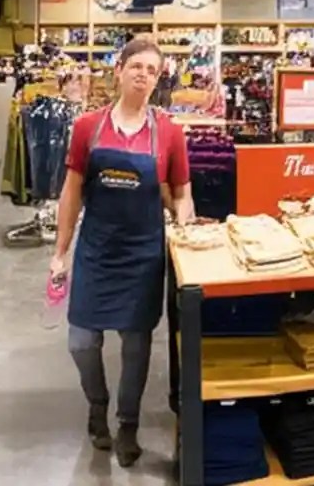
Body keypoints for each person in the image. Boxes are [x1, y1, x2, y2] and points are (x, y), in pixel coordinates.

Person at [49, 38, 194, 468]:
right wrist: (61, 251)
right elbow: (71, 194)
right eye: (137, 66)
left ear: (158, 77)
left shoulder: (168, 131)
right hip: (97, 250)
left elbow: (181, 194)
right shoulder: (88, 128)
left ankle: (127, 424)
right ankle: (97, 404)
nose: (144, 74)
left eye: (152, 69)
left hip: (143, 255)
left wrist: (185, 225)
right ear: (119, 69)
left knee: (136, 345)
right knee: (81, 342)